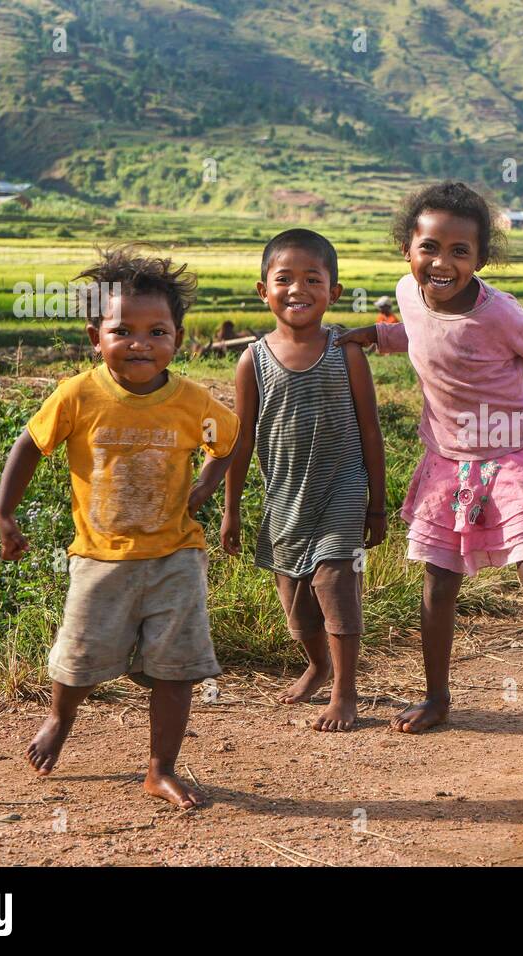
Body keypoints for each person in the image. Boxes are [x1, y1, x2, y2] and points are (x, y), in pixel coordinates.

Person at [337, 181, 523, 741]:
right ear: (408, 251)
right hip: (449, 458)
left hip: (516, 450)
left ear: (481, 259)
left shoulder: (500, 314)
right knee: (439, 580)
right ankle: (437, 696)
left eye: (460, 251)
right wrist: (373, 336)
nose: (442, 262)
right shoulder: (407, 294)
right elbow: (417, 335)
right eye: (430, 248)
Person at [0, 245, 239, 809]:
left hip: (176, 554)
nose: (140, 344)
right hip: (99, 556)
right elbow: (30, 445)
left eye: (157, 332)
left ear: (179, 336)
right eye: (123, 330)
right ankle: (60, 718)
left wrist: (207, 485)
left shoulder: (190, 399)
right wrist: (6, 513)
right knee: (78, 657)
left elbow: (226, 441)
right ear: (94, 337)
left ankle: (160, 769)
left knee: (176, 667)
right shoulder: (78, 395)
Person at [221, 230, 386, 732]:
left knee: (336, 585)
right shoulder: (253, 361)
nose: (298, 290)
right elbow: (240, 441)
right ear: (262, 291)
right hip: (285, 498)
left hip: (342, 490)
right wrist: (232, 510)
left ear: (333, 292)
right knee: (295, 602)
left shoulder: (346, 353)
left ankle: (345, 692)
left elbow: (371, 431)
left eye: (312, 279)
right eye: (284, 279)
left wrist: (376, 506)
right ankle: (317, 665)